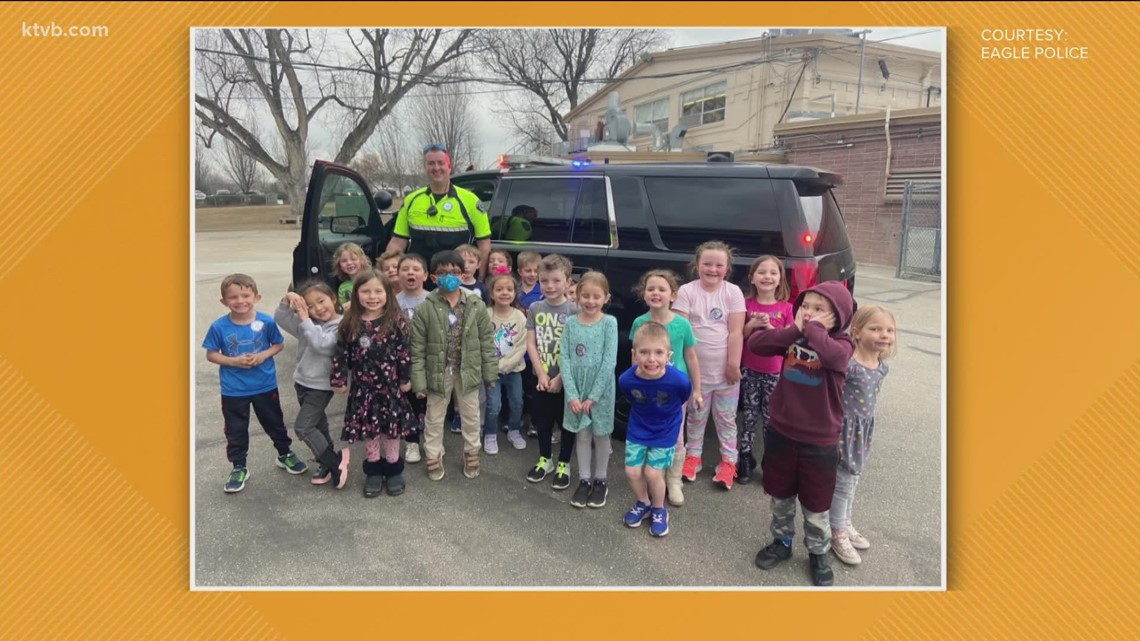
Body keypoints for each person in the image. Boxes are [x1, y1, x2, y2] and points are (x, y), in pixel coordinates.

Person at [747, 281, 855, 587]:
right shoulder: (793, 335)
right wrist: (795, 329)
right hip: (782, 430)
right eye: (806, 306)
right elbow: (757, 345)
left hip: (819, 440)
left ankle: (818, 552)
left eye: (820, 309)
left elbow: (834, 358)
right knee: (780, 496)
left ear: (839, 316)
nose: (809, 314)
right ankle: (781, 542)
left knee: (816, 504)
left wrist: (815, 330)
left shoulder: (843, 344)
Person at [202, 274, 307, 493]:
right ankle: (239, 466)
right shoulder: (219, 327)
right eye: (233, 297)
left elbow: (278, 344)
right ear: (224, 302)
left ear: (256, 297)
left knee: (274, 422)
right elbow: (211, 354)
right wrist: (232, 361)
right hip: (234, 390)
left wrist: (262, 356)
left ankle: (284, 453)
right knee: (236, 429)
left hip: (264, 385)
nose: (240, 301)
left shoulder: (267, 321)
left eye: (245, 295)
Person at [410, 250, 498, 482]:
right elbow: (417, 348)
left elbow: (486, 342)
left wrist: (490, 374)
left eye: (455, 272)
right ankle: (433, 454)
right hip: (438, 372)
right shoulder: (424, 308)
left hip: (468, 369)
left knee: (471, 415)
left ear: (463, 274)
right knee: (434, 416)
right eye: (443, 273)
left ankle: (471, 452)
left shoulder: (475, 304)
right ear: (433, 277)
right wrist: (419, 382)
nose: (450, 276)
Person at [330, 269, 418, 499]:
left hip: (390, 389)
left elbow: (405, 354)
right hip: (363, 389)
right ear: (356, 294)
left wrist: (405, 379)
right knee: (370, 430)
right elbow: (340, 354)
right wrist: (339, 379)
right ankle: (374, 469)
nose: (372, 296)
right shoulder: (350, 322)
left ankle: (393, 468)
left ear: (388, 294)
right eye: (366, 291)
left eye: (378, 291)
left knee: (391, 430)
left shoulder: (396, 321)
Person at [674, 240, 746, 490]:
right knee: (695, 417)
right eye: (707, 264)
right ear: (697, 265)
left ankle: (728, 461)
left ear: (727, 268)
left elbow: (736, 332)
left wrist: (733, 364)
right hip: (697, 375)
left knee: (726, 419)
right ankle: (693, 457)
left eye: (718, 265)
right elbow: (682, 332)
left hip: (726, 374)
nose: (712, 269)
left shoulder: (733, 292)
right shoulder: (686, 292)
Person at [629, 269, 702, 507]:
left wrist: (697, 389)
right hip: (646, 393)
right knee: (649, 435)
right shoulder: (639, 322)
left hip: (674, 394)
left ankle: (673, 480)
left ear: (673, 295)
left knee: (676, 437)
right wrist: (634, 386)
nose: (656, 293)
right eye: (651, 289)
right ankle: (655, 477)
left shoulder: (682, 324)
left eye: (662, 289)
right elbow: (635, 358)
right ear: (644, 293)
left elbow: (691, 357)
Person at [830, 305, 895, 566]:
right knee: (843, 483)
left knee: (853, 480)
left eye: (889, 330)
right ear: (856, 333)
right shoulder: (850, 365)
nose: (884, 335)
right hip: (843, 431)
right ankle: (837, 533)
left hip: (862, 430)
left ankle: (845, 521)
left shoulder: (881, 367)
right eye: (875, 329)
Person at [273, 281, 353, 489]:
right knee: (318, 424)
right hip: (302, 382)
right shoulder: (308, 324)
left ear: (333, 299)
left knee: (303, 427)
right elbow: (281, 318)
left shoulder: (342, 325)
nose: (318, 308)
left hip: (321, 386)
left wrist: (306, 319)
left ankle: (335, 463)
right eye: (309, 305)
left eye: (321, 301)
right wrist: (287, 298)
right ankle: (326, 461)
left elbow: (323, 345)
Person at [619, 321, 692, 538]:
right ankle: (643, 503)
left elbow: (683, 396)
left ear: (669, 355)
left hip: (665, 431)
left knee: (652, 473)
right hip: (638, 428)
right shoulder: (626, 379)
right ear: (634, 354)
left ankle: (659, 509)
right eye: (644, 352)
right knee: (632, 471)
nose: (651, 359)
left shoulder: (678, 380)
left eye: (658, 352)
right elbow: (630, 396)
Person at [386, 144, 492, 274]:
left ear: (449, 166)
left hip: (455, 282)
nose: (436, 168)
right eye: (431, 163)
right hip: (418, 282)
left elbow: (484, 246)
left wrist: (480, 280)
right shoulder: (411, 200)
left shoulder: (471, 201)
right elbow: (397, 242)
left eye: (440, 163)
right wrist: (388, 274)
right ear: (425, 168)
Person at [562, 272, 619, 509]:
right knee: (582, 434)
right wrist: (573, 394)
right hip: (576, 386)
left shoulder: (609, 323)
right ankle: (584, 479)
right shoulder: (570, 322)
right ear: (576, 296)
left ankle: (601, 479)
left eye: (596, 296)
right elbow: (564, 358)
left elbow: (609, 362)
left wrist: (593, 396)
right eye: (585, 295)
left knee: (601, 434)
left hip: (601, 390)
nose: (590, 301)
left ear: (606, 297)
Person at [738, 256, 794, 485]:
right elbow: (738, 334)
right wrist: (751, 325)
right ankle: (745, 458)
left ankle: (771, 462)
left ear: (780, 278)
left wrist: (770, 328)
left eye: (773, 273)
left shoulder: (787, 308)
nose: (767, 277)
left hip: (775, 374)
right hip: (750, 370)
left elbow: (789, 344)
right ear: (752, 277)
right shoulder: (746, 304)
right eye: (762, 272)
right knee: (749, 416)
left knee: (771, 419)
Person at [524, 254, 578, 489]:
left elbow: (577, 351)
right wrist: (542, 373)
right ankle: (545, 459)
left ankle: (564, 462)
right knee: (542, 422)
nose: (550, 286)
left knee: (566, 424)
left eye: (556, 280)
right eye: (544, 281)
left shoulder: (575, 311)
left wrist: (560, 379)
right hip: (542, 379)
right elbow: (531, 344)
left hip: (566, 381)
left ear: (568, 282)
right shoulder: (535, 308)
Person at [483, 273, 529, 453]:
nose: (505, 293)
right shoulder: (486, 315)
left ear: (515, 293)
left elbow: (522, 345)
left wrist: (505, 365)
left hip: (514, 369)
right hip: (491, 370)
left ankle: (514, 429)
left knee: (517, 401)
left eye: (509, 289)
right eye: (499, 289)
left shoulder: (519, 316)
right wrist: (493, 365)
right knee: (494, 404)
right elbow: (482, 342)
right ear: (492, 294)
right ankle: (490, 433)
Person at [395, 253, 430, 464]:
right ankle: (412, 443)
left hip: (428, 360)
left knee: (430, 403)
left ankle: (432, 441)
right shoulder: (391, 302)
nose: (411, 272)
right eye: (405, 269)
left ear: (425, 275)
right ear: (398, 275)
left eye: (416, 269)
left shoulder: (433, 299)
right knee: (408, 404)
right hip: (403, 362)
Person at [332, 242, 371, 308]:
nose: (349, 263)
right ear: (339, 265)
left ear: (362, 261)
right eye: (344, 261)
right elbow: (343, 309)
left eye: (353, 259)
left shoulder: (373, 281)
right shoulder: (343, 287)